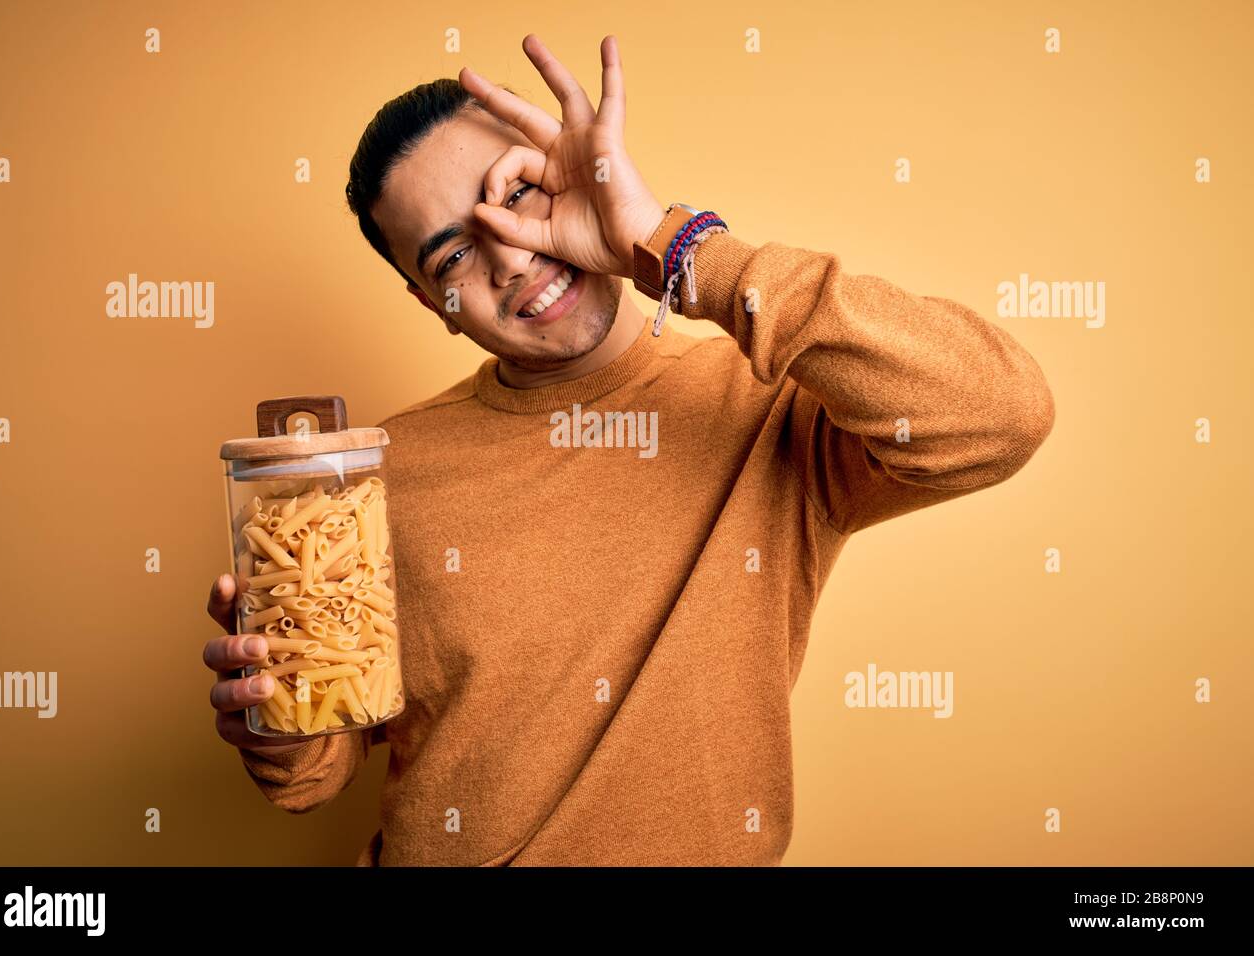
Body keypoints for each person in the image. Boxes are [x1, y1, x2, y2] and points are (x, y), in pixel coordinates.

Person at [203, 34, 1055, 866]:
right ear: (431, 302)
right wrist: (269, 723)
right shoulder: (373, 477)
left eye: (520, 194)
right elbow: (315, 776)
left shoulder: (766, 407)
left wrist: (675, 245)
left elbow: (1001, 415)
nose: (507, 253)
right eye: (455, 253)